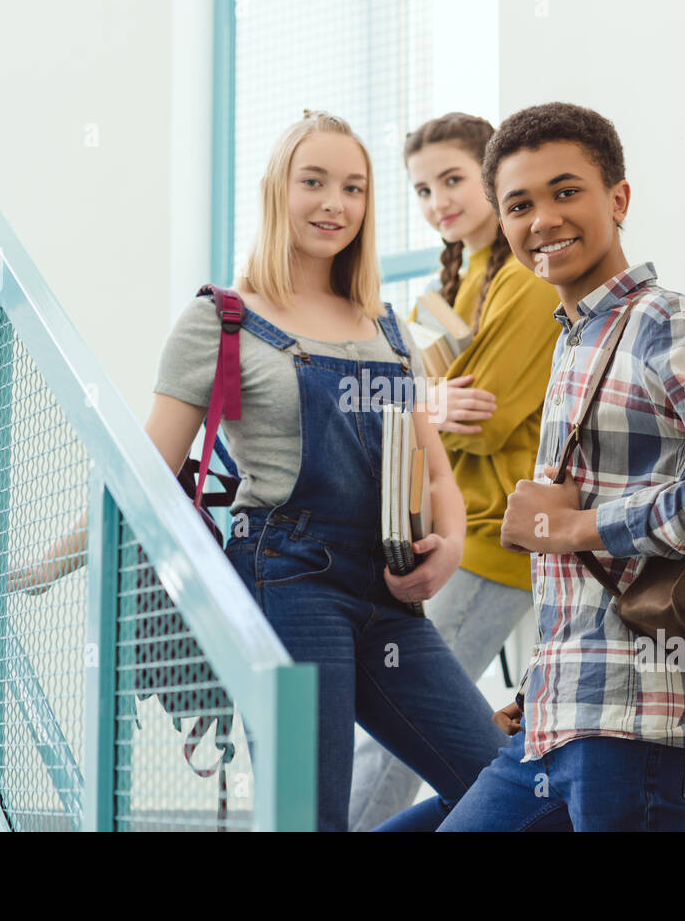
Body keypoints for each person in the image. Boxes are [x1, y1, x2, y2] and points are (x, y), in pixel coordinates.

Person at [378, 101, 685, 831]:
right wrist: (542, 685)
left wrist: (577, 526)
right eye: (519, 203)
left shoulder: (664, 322)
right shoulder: (573, 338)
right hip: (556, 717)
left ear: (618, 198)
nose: (543, 218)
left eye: (565, 192)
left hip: (635, 723)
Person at [140, 110, 507, 832]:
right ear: (279, 189)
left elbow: (434, 471)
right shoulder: (222, 320)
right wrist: (48, 560)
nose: (334, 204)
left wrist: (452, 545)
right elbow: (146, 471)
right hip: (287, 579)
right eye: (314, 182)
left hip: (390, 589)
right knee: (308, 815)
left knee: (512, 788)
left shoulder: (387, 324)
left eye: (354, 187)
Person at [348, 113, 560, 831]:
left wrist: (421, 404)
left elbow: (487, 414)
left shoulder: (527, 280)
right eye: (421, 189)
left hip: (492, 540)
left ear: (493, 177)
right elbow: (396, 409)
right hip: (445, 533)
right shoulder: (448, 290)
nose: (438, 199)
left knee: (400, 740)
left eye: (453, 179)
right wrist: (426, 404)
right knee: (421, 736)